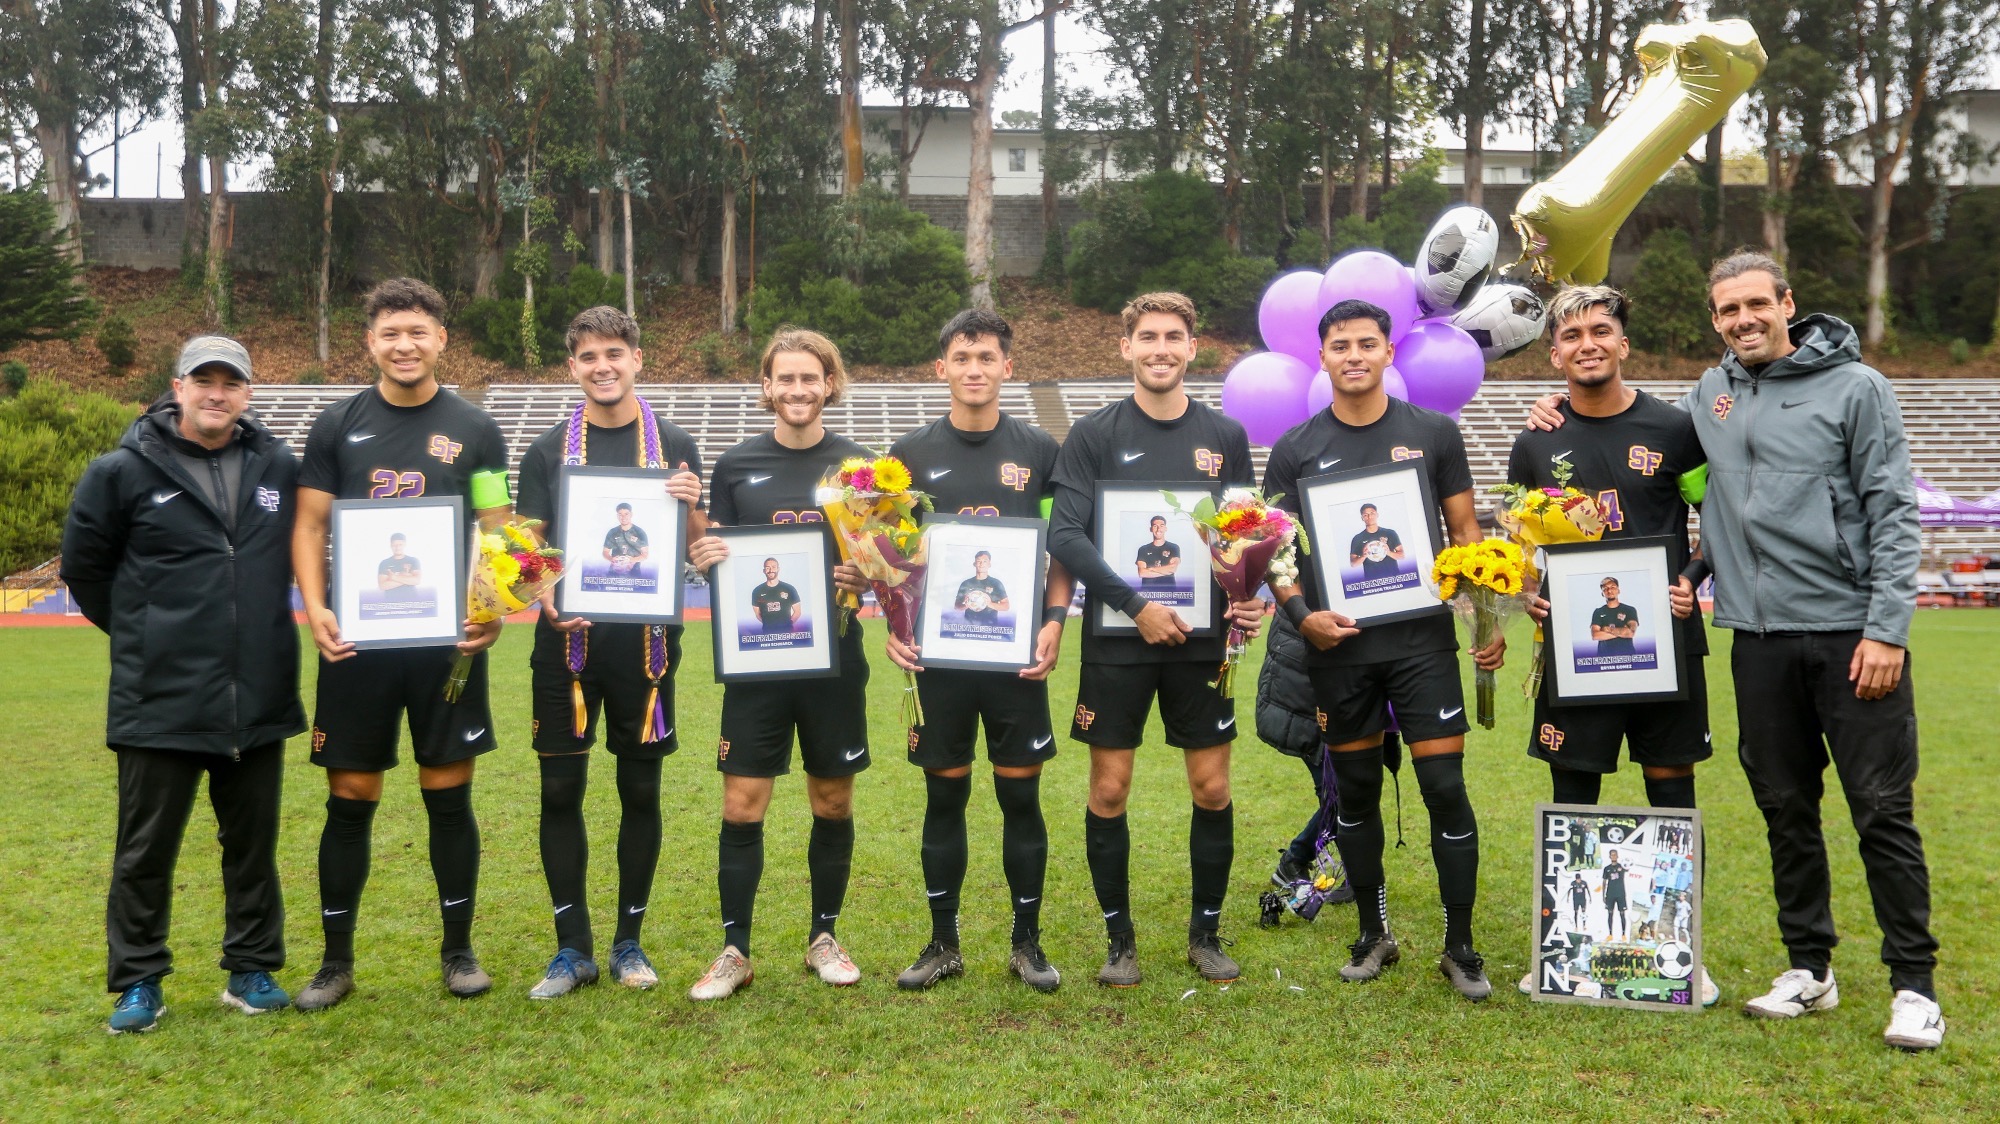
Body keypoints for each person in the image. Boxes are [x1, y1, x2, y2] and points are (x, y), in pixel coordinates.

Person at [1528, 251, 1945, 1050]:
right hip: (1754, 637)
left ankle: (1913, 985)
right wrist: (1558, 409)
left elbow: (1894, 512)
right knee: (1785, 808)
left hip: (1850, 634)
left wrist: (1887, 628)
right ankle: (1808, 969)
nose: (1744, 319)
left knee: (1881, 810)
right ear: (1714, 320)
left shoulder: (1858, 388)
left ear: (1787, 303)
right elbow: (1626, 428)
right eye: (1728, 310)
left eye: (1758, 304)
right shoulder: (1708, 399)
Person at [1261, 298, 1505, 1002]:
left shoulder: (1433, 432)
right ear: (1323, 357)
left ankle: (1460, 947)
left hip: (1422, 644)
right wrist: (1303, 616)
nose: (1355, 355)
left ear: (1389, 352)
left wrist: (1485, 620)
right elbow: (1274, 554)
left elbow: (1464, 537)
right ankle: (1373, 934)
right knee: (1357, 796)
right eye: (1341, 346)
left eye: (1368, 343)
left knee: (1444, 789)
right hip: (1339, 651)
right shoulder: (1296, 447)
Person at [62, 336, 304, 1034]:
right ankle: (139, 981)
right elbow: (87, 571)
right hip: (159, 696)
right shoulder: (120, 471)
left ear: (249, 394)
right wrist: (147, 637)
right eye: (204, 380)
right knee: (145, 849)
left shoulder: (276, 464)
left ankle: (251, 968)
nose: (216, 393)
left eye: (231, 382)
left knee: (252, 844)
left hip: (257, 691)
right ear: (177, 386)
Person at [290, 278, 513, 1010]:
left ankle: (459, 953)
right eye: (391, 334)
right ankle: (335, 962)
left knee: (447, 795)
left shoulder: (475, 429)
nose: (404, 345)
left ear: (441, 338)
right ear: (371, 343)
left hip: (447, 646)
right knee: (351, 795)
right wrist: (316, 607)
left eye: (417, 332)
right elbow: (312, 527)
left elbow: (497, 531)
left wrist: (494, 608)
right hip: (358, 646)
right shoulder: (336, 425)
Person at [1046, 291, 1263, 987]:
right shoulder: (1093, 435)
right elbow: (1066, 535)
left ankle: (1205, 933)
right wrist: (1136, 605)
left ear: (1191, 348)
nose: (1161, 348)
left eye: (1173, 336)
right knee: (1109, 790)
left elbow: (1244, 535)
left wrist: (1246, 596)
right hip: (1117, 639)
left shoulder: (1223, 438)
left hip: (1202, 643)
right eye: (1148, 336)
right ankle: (1120, 942)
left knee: (1210, 786)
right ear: (1126, 347)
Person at [1506, 285, 1715, 1002]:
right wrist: (1528, 589)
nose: (1587, 343)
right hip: (1574, 648)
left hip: (1666, 644)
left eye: (1601, 330)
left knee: (1672, 795)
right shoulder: (1536, 438)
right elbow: (1522, 541)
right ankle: (1567, 947)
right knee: (1575, 794)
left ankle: (1681, 950)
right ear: (1554, 350)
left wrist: (1690, 576)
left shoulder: (1676, 428)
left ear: (1623, 343)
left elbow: (1713, 515)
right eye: (1572, 335)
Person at [514, 306, 705, 999]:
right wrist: (546, 599)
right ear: (573, 367)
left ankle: (628, 942)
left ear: (637, 359)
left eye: (615, 353)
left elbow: (697, 548)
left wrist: (693, 502)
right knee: (561, 788)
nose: (603, 366)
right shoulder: (547, 450)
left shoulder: (675, 442)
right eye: (589, 355)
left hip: (647, 649)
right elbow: (529, 547)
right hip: (567, 643)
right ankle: (571, 949)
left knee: (640, 788)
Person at [683, 328, 875, 1001]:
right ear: (766, 387)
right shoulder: (735, 465)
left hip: (836, 665)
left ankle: (824, 936)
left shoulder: (860, 468)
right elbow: (720, 564)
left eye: (810, 378)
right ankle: (734, 950)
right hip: (757, 667)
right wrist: (703, 558)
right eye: (784, 379)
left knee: (832, 799)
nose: (797, 390)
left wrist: (868, 570)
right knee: (742, 805)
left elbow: (883, 566)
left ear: (830, 384)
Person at [883, 308, 1070, 993]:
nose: (974, 369)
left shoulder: (1041, 452)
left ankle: (1027, 943)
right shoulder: (906, 456)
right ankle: (942, 944)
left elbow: (1061, 549)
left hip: (1016, 657)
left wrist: (1054, 620)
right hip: (940, 662)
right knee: (944, 800)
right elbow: (891, 555)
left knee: (1021, 800)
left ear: (1006, 367)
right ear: (942, 368)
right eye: (961, 358)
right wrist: (893, 622)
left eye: (986, 357)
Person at [1348, 504, 1404, 582]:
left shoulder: (1390, 533)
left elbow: (1402, 555)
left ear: (1377, 515)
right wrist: (1363, 556)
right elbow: (1353, 564)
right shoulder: (1357, 538)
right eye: (1365, 515)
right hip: (1373, 583)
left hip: (1394, 579)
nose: (1369, 517)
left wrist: (1388, 553)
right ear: (1362, 518)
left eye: (1372, 513)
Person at [954, 551, 1010, 627]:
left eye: (985, 561)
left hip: (990, 627)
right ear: (974, 564)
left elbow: (1006, 606)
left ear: (989, 564)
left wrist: (989, 604)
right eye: (978, 561)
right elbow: (956, 606)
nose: (981, 564)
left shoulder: (996, 583)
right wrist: (966, 605)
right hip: (969, 627)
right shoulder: (966, 583)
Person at [752, 558, 804, 632]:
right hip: (767, 634)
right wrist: (769, 625)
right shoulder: (757, 591)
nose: (771, 570)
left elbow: (798, 612)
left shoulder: (789, 589)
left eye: (773, 567)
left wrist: (788, 624)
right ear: (764, 571)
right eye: (767, 568)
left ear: (778, 569)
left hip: (787, 633)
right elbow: (757, 614)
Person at [1590, 578, 1638, 657]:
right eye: (1605, 589)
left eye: (1612, 587)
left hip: (1628, 657)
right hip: (1605, 659)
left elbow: (1631, 632)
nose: (1609, 591)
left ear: (1618, 590)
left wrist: (1607, 629)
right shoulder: (1598, 612)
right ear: (1602, 593)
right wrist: (1623, 631)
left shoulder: (1630, 610)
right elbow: (1595, 635)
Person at [1134, 516, 1181, 588]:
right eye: (1155, 526)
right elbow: (1142, 573)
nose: (1158, 529)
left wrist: (1151, 569)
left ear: (1165, 528)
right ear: (1151, 529)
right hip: (1148, 594)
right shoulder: (1143, 549)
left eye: (1161, 526)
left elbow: (1172, 568)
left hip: (1168, 593)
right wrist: (1166, 570)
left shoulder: (1173, 547)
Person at [603, 503, 649, 572]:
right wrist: (611, 559)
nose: (623, 517)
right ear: (617, 516)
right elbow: (605, 552)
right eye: (620, 514)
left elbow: (645, 554)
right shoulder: (612, 532)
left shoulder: (639, 532)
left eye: (626, 514)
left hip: (634, 573)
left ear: (631, 514)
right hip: (614, 572)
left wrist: (632, 560)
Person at [1602, 850, 1629, 938]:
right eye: (1612, 855)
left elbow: (1628, 868)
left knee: (1622, 914)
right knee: (1610, 914)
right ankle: (1610, 934)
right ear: (1609, 856)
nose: (1613, 856)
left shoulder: (1622, 866)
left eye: (1615, 855)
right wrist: (1603, 895)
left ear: (1617, 856)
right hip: (1610, 894)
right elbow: (1604, 882)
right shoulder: (1607, 868)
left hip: (1620, 894)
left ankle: (1623, 934)